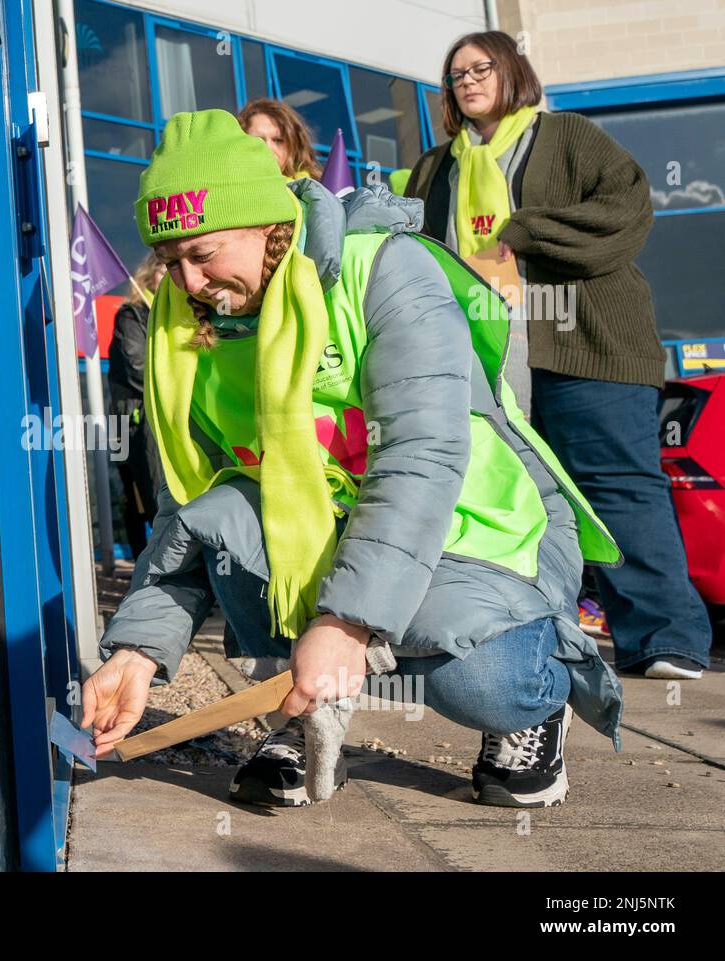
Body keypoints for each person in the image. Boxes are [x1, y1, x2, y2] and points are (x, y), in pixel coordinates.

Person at [82, 109, 625, 810]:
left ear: (267, 223)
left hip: (466, 522)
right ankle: (303, 709)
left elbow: (420, 456)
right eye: (170, 258)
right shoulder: (182, 326)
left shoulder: (384, 268)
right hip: (333, 530)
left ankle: (534, 706)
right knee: (224, 514)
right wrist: (138, 650)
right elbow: (181, 509)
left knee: (477, 679)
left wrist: (347, 624)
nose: (187, 283)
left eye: (204, 252)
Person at [405, 31, 711, 680]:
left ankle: (666, 637)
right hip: (486, 357)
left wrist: (521, 233)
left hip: (586, 341)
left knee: (618, 485)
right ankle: (531, 635)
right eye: (455, 74)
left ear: (512, 70)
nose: (467, 81)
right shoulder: (435, 169)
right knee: (515, 498)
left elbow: (625, 211)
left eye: (480, 67)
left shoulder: (567, 137)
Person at [107, 253, 165, 558]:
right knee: (136, 495)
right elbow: (137, 366)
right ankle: (145, 568)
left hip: (146, 416)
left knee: (154, 494)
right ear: (149, 274)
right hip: (126, 421)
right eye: (164, 268)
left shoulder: (174, 312)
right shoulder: (133, 313)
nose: (169, 275)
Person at [238, 98, 323, 181]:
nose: (268, 149)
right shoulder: (228, 189)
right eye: (258, 140)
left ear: (294, 147)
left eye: (278, 140)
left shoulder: (318, 191)